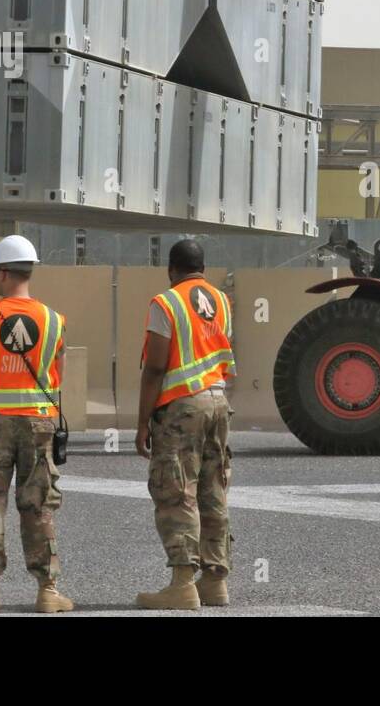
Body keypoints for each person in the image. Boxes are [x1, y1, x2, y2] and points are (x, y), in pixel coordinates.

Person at [0, 234, 73, 614]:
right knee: (38, 505)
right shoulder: (54, 321)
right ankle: (47, 591)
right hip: (39, 423)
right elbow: (59, 375)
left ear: (4, 273)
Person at [135, 239, 236, 610]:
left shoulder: (167, 302)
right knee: (213, 488)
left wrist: (143, 422)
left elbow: (156, 366)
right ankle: (214, 580)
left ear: (170, 270)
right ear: (203, 268)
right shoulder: (222, 301)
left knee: (176, 490)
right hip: (218, 400)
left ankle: (181, 582)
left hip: (181, 405)